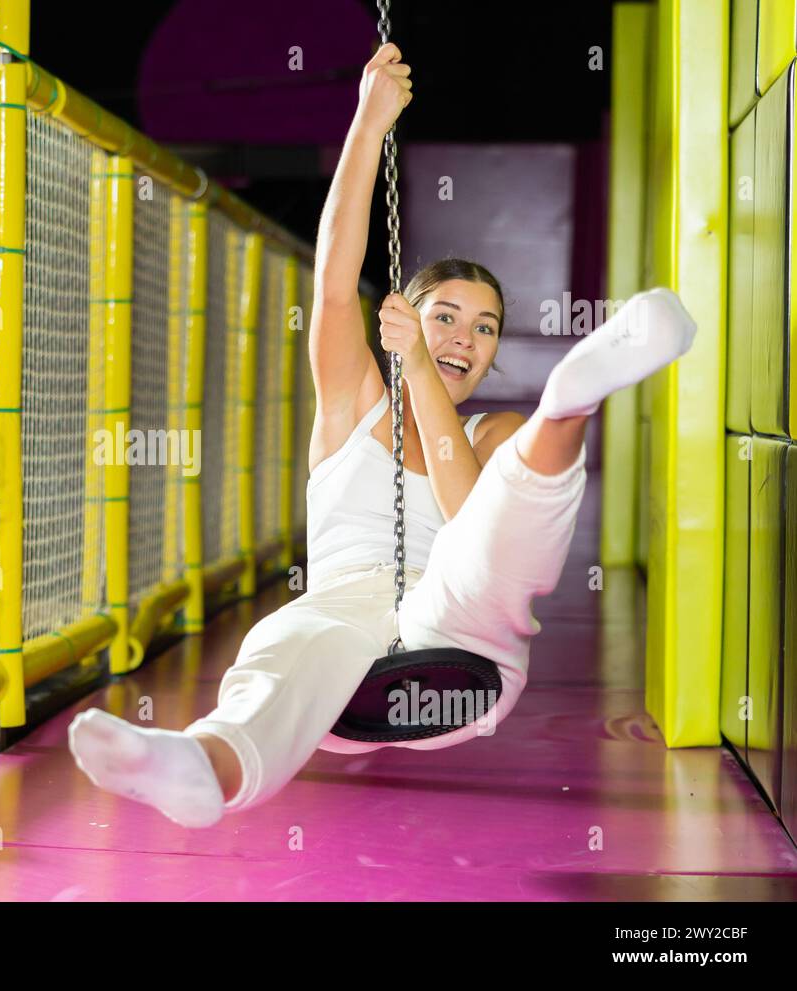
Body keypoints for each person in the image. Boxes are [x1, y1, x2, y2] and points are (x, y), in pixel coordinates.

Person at [67, 42, 697, 828]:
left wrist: (424, 372)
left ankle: (571, 403)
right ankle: (205, 765)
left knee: (496, 531)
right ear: (403, 316)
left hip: (461, 646)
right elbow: (334, 280)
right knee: (291, 637)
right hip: (346, 635)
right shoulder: (352, 401)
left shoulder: (492, 428)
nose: (466, 337)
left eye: (485, 328)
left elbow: (468, 511)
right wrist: (369, 121)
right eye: (445, 317)